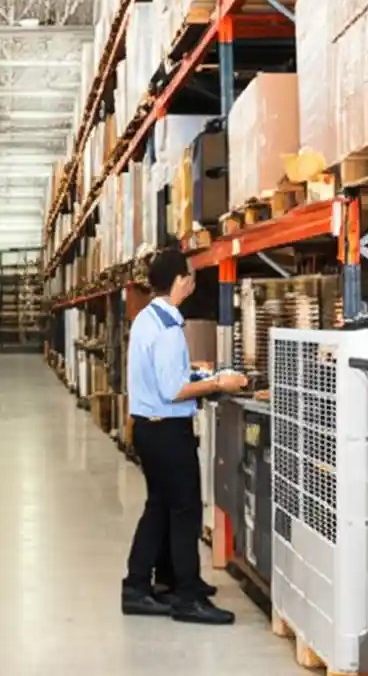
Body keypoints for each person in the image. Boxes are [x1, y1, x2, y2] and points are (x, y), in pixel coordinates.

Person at [121, 248, 247, 625]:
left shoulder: (148, 318)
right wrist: (218, 383)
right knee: (185, 509)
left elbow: (168, 378)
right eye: (190, 276)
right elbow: (172, 390)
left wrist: (196, 374)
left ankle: (147, 584)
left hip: (149, 427)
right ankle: (187, 597)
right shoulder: (168, 330)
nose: (193, 281)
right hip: (166, 429)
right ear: (180, 281)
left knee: (160, 506)